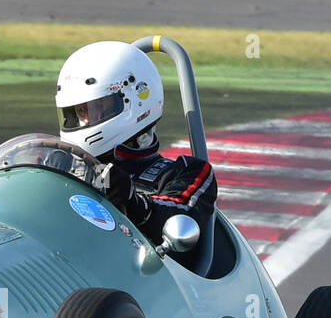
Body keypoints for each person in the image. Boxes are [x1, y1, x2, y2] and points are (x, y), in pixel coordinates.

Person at [55, 40, 217, 264]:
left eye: (95, 109)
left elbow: (180, 219)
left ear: (133, 103)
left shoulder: (188, 172)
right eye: (78, 112)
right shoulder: (64, 164)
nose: (85, 121)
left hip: (146, 286)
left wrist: (132, 200)